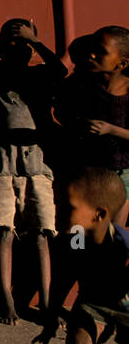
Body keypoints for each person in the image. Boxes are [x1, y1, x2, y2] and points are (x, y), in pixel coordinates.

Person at [0, 18, 66, 324]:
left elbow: (61, 71)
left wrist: (35, 41)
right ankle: (5, 297)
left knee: (43, 232)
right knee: (2, 230)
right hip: (2, 160)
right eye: (10, 40)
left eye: (23, 42)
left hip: (36, 161)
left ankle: (47, 301)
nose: (17, 47)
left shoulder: (41, 75)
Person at [34, 166, 129, 344]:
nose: (59, 211)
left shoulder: (123, 249)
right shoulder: (74, 241)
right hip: (95, 304)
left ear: (98, 214)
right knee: (78, 343)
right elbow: (66, 275)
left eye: (70, 207)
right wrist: (52, 313)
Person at [55, 26, 129, 227]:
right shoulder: (82, 86)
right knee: (80, 231)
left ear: (121, 63)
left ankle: (114, 258)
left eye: (101, 52)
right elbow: (61, 112)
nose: (92, 55)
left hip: (121, 174)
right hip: (87, 173)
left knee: (114, 232)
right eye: (91, 49)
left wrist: (110, 130)